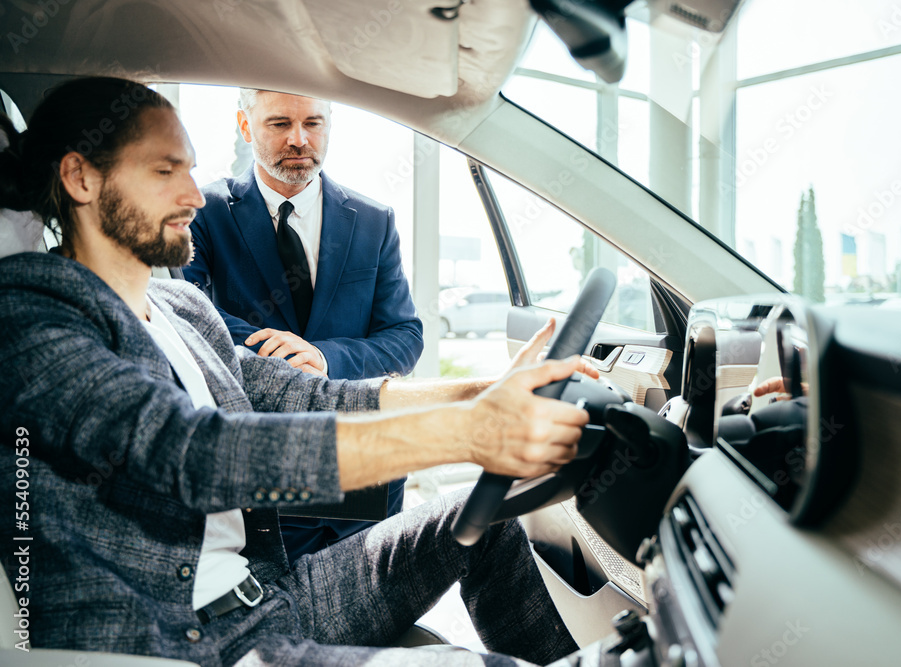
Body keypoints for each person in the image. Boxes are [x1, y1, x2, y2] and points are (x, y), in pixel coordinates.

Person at [0, 77, 594, 666]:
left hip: (272, 594)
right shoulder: (33, 317)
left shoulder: (182, 309)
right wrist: (470, 432)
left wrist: (486, 390)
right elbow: (196, 455)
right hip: (186, 640)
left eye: (190, 169)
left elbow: (316, 394)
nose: (194, 195)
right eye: (164, 171)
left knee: (485, 519)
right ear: (81, 178)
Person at [184, 89, 424, 559]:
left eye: (313, 123)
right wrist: (282, 357)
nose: (299, 139)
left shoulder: (375, 220)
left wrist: (323, 357)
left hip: (363, 471)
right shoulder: (203, 213)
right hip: (263, 470)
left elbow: (405, 337)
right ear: (245, 125)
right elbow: (188, 316)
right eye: (279, 124)